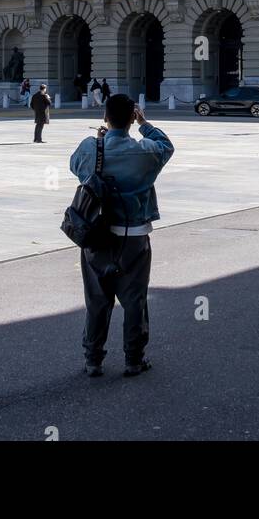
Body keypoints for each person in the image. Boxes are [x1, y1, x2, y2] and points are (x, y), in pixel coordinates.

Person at [70, 95, 174, 378]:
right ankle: (133, 359)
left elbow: (75, 167)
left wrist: (100, 142)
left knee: (97, 300)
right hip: (134, 235)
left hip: (96, 235)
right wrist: (145, 124)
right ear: (132, 117)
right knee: (134, 299)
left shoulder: (91, 148)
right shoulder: (146, 152)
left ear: (105, 116)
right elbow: (167, 146)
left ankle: (93, 360)